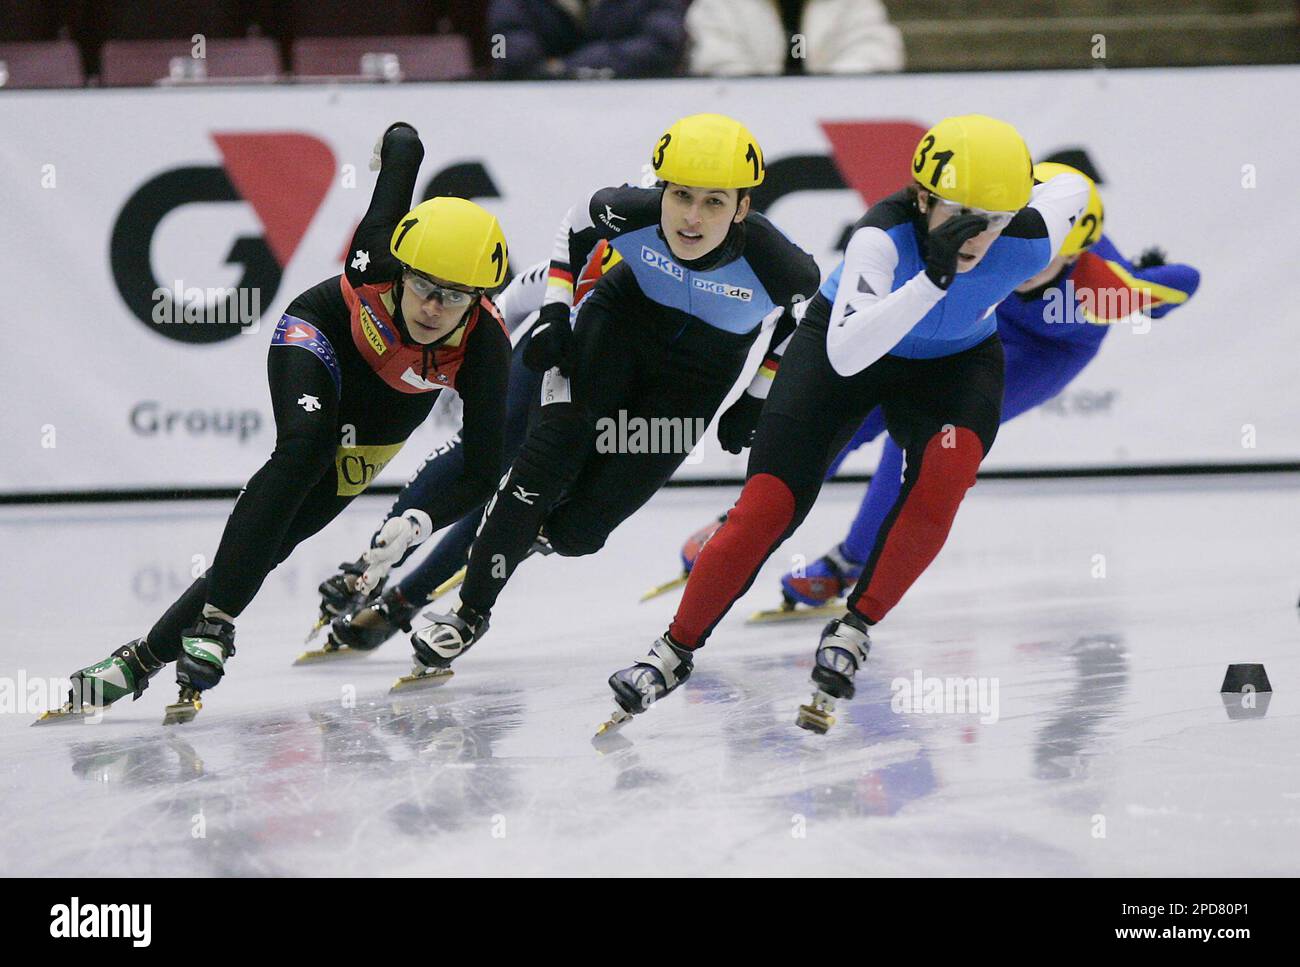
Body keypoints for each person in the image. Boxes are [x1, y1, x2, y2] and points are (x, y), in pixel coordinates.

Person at [600, 115, 1091, 735]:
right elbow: (849, 355)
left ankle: (856, 626)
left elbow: (1069, 186)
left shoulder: (1033, 235)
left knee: (946, 477)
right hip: (845, 348)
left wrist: (1003, 218)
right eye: (958, 213)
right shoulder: (880, 238)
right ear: (921, 197)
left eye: (990, 218)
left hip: (955, 364)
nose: (973, 233)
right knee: (768, 505)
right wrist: (931, 279)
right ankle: (672, 651)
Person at [42, 123, 512, 725]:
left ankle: (141, 659)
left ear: (477, 298)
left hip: (389, 407)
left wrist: (419, 522)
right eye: (421, 285)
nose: (431, 308)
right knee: (303, 452)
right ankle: (217, 624)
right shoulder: (373, 254)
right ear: (400, 271)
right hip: (322, 336)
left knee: (281, 534)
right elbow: (404, 151)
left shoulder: (485, 349)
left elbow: (482, 471)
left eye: (453, 297)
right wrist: (396, 138)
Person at [395, 113, 820, 691]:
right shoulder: (630, 210)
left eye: (714, 203)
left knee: (581, 534)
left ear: (743, 208)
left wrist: (756, 393)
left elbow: (801, 321)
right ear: (662, 190)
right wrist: (553, 311)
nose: (692, 218)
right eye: (681, 197)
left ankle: (534, 532)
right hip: (615, 330)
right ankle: (468, 613)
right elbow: (573, 227)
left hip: (696, 377)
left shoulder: (781, 265)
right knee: (541, 465)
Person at [673, 163, 1202, 616]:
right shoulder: (1007, 236)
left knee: (914, 444)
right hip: (978, 325)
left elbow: (1187, 280)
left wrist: (1149, 285)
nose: (1016, 267)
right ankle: (745, 520)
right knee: (855, 410)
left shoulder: (1099, 287)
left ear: (1070, 257)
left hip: (1043, 352)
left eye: (1040, 263)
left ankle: (849, 563)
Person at [685, 0, 903, 76]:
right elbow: (715, 60)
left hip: (838, 116)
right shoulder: (720, 4)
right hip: (746, 121)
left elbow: (876, 51)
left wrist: (818, 93)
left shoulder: (852, 3)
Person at [488, 0, 687, 79]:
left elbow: (662, 46)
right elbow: (503, 49)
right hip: (533, 115)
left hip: (638, 109)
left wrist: (564, 66)